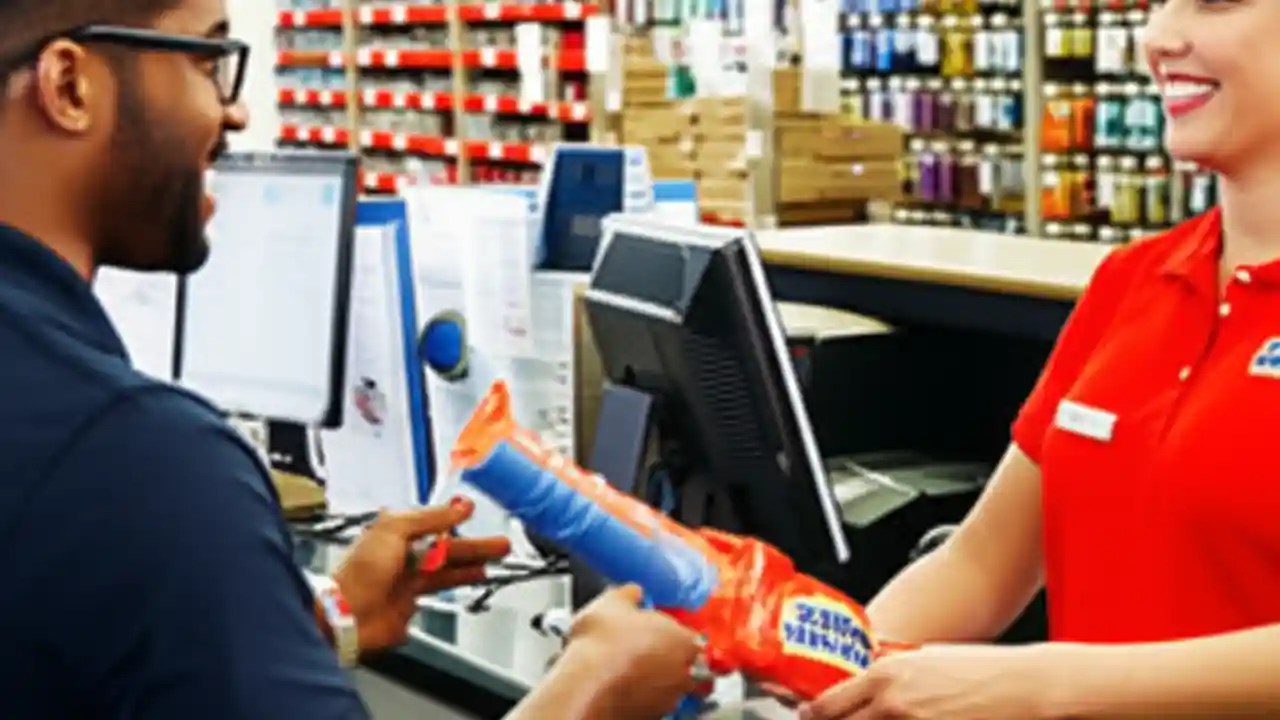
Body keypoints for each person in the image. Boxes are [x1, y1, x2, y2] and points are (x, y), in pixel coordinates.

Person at [0, 0, 701, 717]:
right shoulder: (140, 459)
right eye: (209, 62)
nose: (235, 112)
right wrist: (591, 690)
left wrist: (294, 632)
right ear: (70, 86)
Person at [802, 0, 1280, 718]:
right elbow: (980, 567)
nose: (1158, 37)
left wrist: (1046, 688)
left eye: (1213, 1)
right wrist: (819, 672)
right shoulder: (1132, 282)